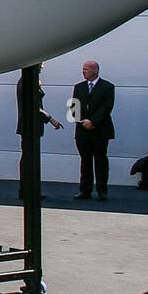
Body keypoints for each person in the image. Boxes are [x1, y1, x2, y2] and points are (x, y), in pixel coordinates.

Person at [16, 64, 63, 198]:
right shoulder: (29, 82)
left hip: (29, 124)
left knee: (27, 158)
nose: (43, 66)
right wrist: (51, 119)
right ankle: (28, 190)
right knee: (29, 159)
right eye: (41, 64)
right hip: (30, 125)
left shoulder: (26, 81)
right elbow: (34, 106)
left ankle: (26, 189)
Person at [72, 60, 115, 200]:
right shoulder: (78, 87)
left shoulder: (107, 87)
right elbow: (74, 108)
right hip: (83, 131)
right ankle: (85, 190)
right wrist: (82, 120)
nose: (83, 71)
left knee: (101, 161)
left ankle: (102, 190)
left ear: (95, 71)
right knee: (85, 161)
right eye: (82, 69)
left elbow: (107, 107)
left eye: (86, 69)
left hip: (100, 130)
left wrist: (93, 121)